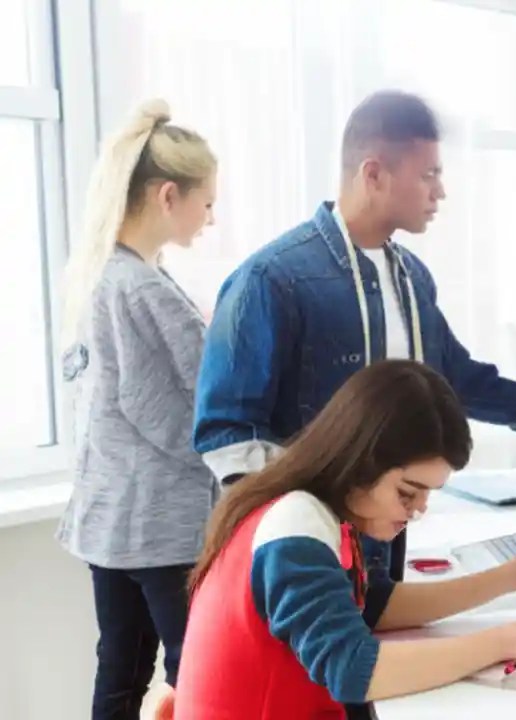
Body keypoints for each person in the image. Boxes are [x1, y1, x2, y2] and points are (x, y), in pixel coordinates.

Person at [194, 90, 516, 583]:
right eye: (429, 175)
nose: (440, 192)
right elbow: (225, 435)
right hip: (310, 546)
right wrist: (318, 502)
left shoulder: (412, 277)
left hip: (389, 536)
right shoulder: (271, 280)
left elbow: (455, 382)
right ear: (373, 174)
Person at [174, 361, 516, 718]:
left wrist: (508, 577)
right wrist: (509, 640)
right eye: (407, 493)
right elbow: (353, 670)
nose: (418, 510)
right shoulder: (294, 525)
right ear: (360, 461)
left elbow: (372, 605)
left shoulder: (315, 514)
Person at [54, 99, 218, 720]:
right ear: (168, 196)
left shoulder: (104, 273)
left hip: (112, 521)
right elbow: (174, 410)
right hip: (161, 527)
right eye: (206, 203)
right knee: (197, 675)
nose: (211, 218)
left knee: (121, 673)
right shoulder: (142, 287)